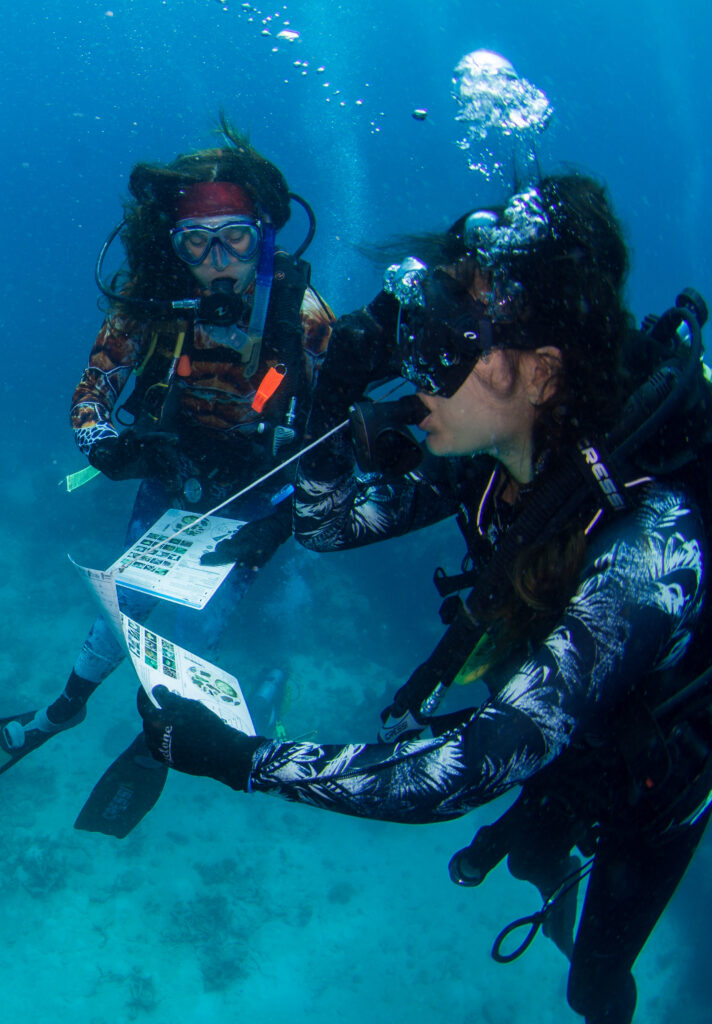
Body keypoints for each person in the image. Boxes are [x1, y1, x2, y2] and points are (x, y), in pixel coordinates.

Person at [137, 174, 712, 1024]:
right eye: (420, 335)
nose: (419, 370)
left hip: (651, 768)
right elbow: (331, 529)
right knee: (527, 862)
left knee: (594, 985)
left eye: (447, 348)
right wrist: (334, 394)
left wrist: (244, 761)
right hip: (557, 726)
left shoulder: (653, 545)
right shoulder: (492, 463)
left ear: (544, 373)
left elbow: (468, 767)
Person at [0, 119, 335, 834]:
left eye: (235, 238)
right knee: (124, 603)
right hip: (174, 478)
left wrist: (285, 518)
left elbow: (335, 440)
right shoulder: (147, 307)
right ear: (172, 247)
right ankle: (64, 705)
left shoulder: (305, 320)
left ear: (265, 233)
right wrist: (109, 449)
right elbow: (91, 394)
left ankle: (160, 728)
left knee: (196, 628)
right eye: (196, 242)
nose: (218, 261)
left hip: (260, 499)